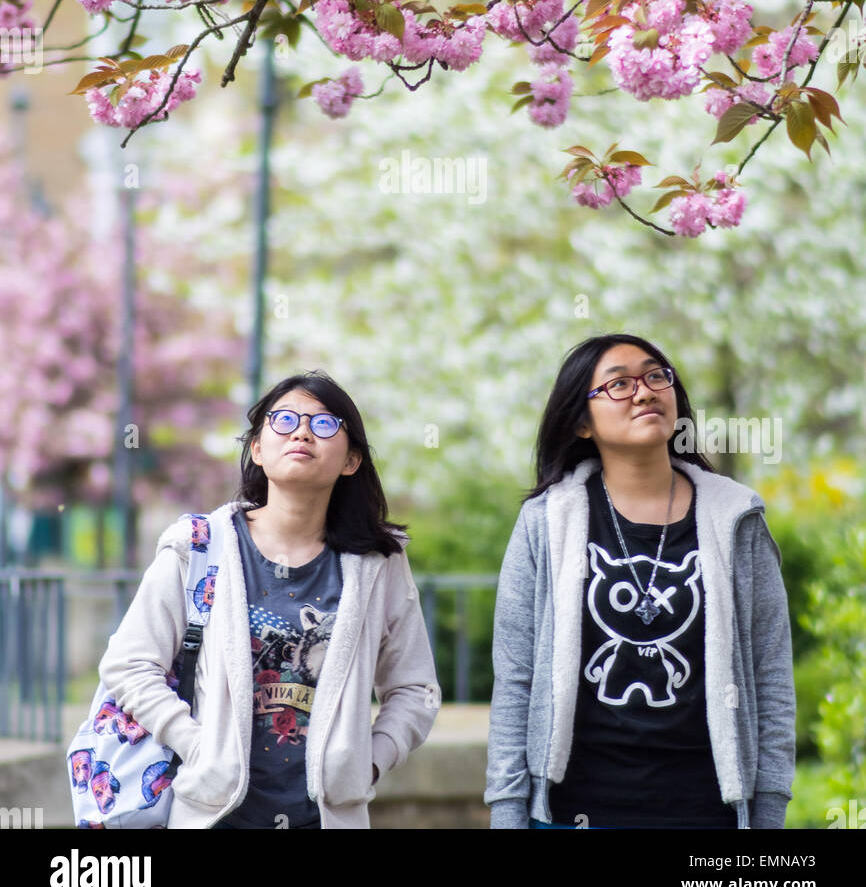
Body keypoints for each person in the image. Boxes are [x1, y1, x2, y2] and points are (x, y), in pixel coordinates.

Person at [98, 370, 440, 829]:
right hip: (214, 816)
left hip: (326, 819)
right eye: (283, 420)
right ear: (257, 448)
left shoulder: (378, 562)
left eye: (324, 424)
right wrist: (200, 747)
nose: (301, 431)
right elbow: (128, 664)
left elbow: (416, 689)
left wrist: (367, 762)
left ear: (351, 460)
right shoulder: (198, 546)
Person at [484, 333, 795, 830]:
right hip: (574, 812)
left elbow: (771, 676)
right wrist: (506, 809)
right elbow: (516, 680)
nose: (645, 392)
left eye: (656, 376)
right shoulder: (546, 523)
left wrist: (770, 808)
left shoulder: (736, 519)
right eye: (619, 384)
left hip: (704, 813)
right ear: (582, 422)